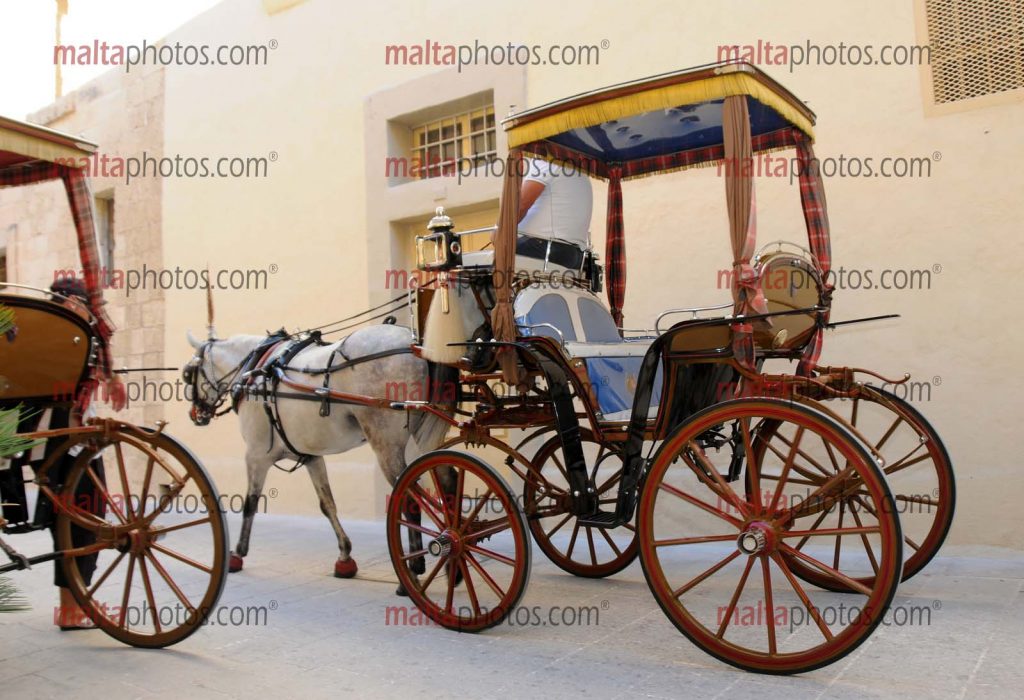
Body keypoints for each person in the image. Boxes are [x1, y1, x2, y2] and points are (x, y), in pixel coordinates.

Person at [30, 277, 124, 629]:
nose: (81, 311)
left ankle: (77, 603)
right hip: (58, 440)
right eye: (74, 303)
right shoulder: (52, 335)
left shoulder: (85, 339)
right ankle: (69, 609)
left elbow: (88, 388)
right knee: (69, 525)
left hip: (83, 440)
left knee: (91, 523)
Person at [516, 157, 593, 270]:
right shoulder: (579, 171)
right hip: (575, 253)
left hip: (546, 249)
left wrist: (499, 229)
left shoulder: (545, 161)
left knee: (490, 265)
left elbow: (520, 205)